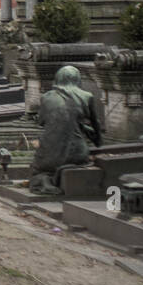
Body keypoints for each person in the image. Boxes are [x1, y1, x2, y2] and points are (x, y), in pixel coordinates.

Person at [31, 65, 102, 195]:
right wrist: (99, 143)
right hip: (77, 154)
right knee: (81, 155)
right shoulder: (87, 96)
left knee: (38, 169)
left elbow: (42, 122)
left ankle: (45, 180)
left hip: (47, 156)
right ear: (77, 79)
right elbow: (96, 124)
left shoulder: (46, 97)